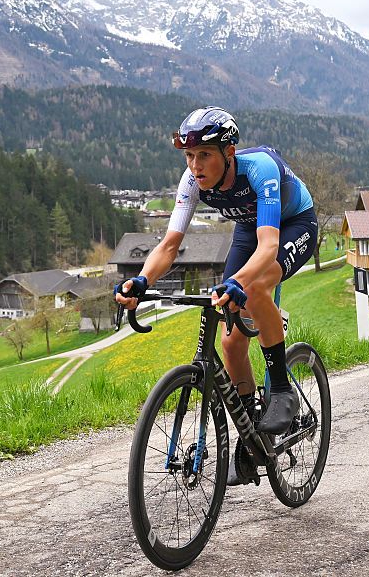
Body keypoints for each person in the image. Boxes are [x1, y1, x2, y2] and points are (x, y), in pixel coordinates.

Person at [114, 106, 318, 483]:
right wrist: (141, 281)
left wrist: (239, 281)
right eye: (189, 156)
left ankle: (282, 390)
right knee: (230, 342)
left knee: (254, 288)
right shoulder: (192, 181)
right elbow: (170, 244)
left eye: (204, 155)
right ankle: (250, 434)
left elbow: (269, 246)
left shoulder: (261, 169)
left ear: (229, 152)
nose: (195, 165)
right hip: (248, 230)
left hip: (290, 226)